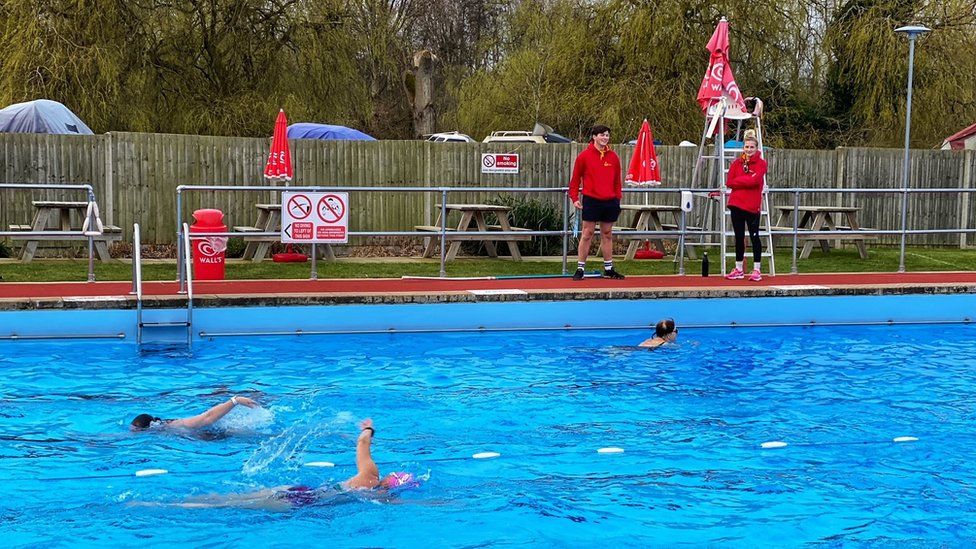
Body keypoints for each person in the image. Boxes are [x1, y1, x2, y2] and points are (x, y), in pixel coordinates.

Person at [131, 419, 417, 510]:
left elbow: (362, 444)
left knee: (230, 499)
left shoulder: (369, 474)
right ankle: (163, 506)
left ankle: (166, 503)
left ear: (390, 477)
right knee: (228, 506)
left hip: (300, 489)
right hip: (302, 502)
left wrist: (369, 429)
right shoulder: (379, 497)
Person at [568, 124, 624, 280]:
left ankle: (609, 268)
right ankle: (580, 268)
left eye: (607, 135)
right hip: (591, 199)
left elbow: (617, 181)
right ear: (594, 137)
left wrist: (617, 198)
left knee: (607, 233)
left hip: (610, 200)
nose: (605, 138)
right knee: (587, 233)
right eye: (602, 135)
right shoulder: (584, 156)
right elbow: (574, 181)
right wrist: (574, 198)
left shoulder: (613, 157)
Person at [724, 129, 768, 282]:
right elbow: (729, 182)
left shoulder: (761, 164)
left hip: (752, 206)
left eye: (752, 147)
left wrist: (741, 181)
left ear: (756, 148)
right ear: (743, 148)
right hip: (736, 204)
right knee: (739, 237)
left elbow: (755, 181)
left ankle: (756, 269)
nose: (749, 150)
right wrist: (745, 180)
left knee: (754, 237)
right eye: (747, 147)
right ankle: (738, 268)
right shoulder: (737, 163)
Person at [130, 395, 259, 431]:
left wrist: (235, 401)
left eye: (135, 431)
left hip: (220, 437)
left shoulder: (175, 425)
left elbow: (207, 418)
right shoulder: (165, 428)